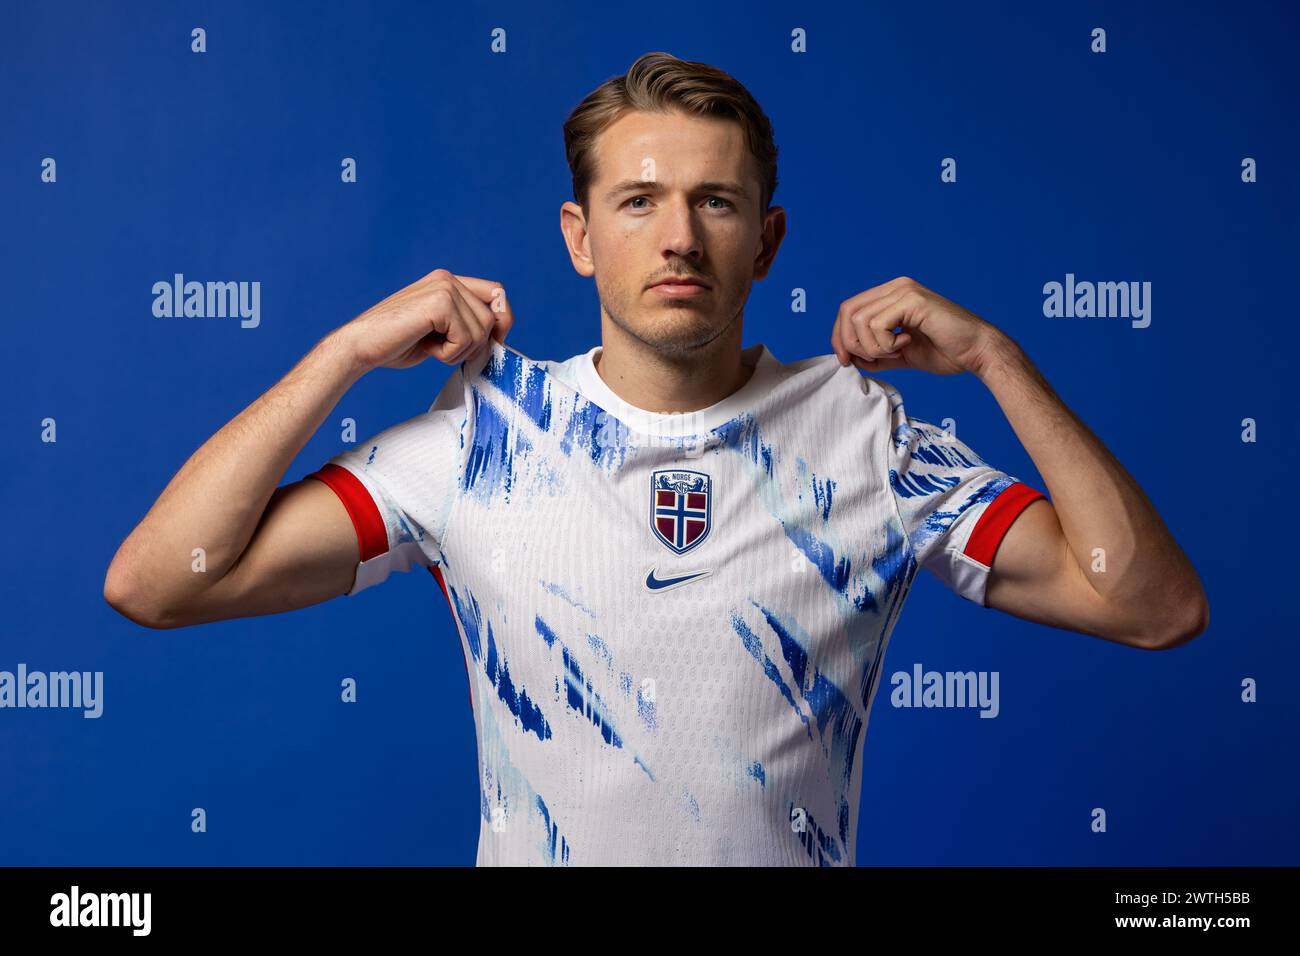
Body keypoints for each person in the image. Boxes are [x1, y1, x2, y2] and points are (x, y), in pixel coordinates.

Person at [103, 52, 1208, 866]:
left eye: (714, 202)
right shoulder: (483, 436)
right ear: (581, 236)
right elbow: (158, 581)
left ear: (764, 240)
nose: (677, 236)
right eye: (637, 201)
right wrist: (340, 354)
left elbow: (1152, 604)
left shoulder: (864, 437)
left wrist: (999, 361)